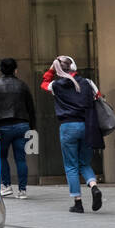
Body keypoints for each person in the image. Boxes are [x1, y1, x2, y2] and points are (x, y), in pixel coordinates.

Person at [42, 55, 104, 213]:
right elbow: (98, 97)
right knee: (84, 163)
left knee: (71, 166)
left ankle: (78, 202)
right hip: (87, 126)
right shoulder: (88, 83)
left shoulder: (56, 85)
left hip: (67, 127)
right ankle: (94, 186)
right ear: (74, 66)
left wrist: (51, 69)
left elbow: (44, 84)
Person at [0, 58, 36, 199]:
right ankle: (22, 190)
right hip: (22, 126)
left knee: (3, 157)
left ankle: (6, 186)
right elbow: (31, 108)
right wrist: (32, 127)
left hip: (2, 127)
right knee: (21, 159)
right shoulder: (22, 85)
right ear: (15, 70)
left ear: (1, 70)